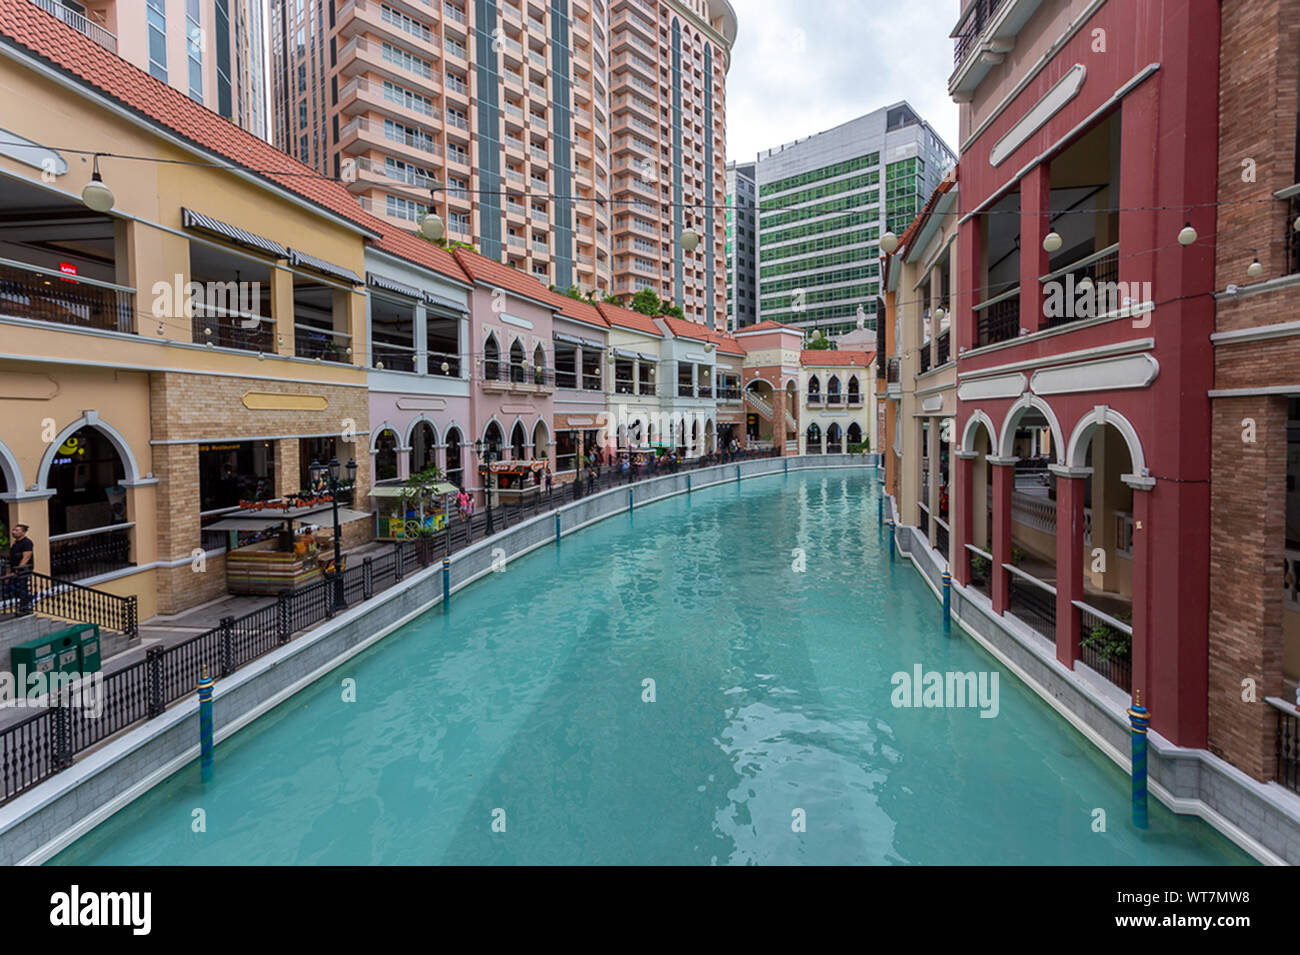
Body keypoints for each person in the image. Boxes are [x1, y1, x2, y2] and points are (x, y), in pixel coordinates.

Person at [4, 524, 34, 614]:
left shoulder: (27, 542)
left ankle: (25, 605)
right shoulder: (15, 544)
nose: (14, 532)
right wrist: (8, 574)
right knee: (13, 589)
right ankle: (27, 601)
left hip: (23, 571)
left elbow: (26, 557)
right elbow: (11, 560)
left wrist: (18, 570)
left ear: (23, 532)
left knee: (21, 588)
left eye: (17, 530)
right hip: (15, 570)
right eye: (13, 530)